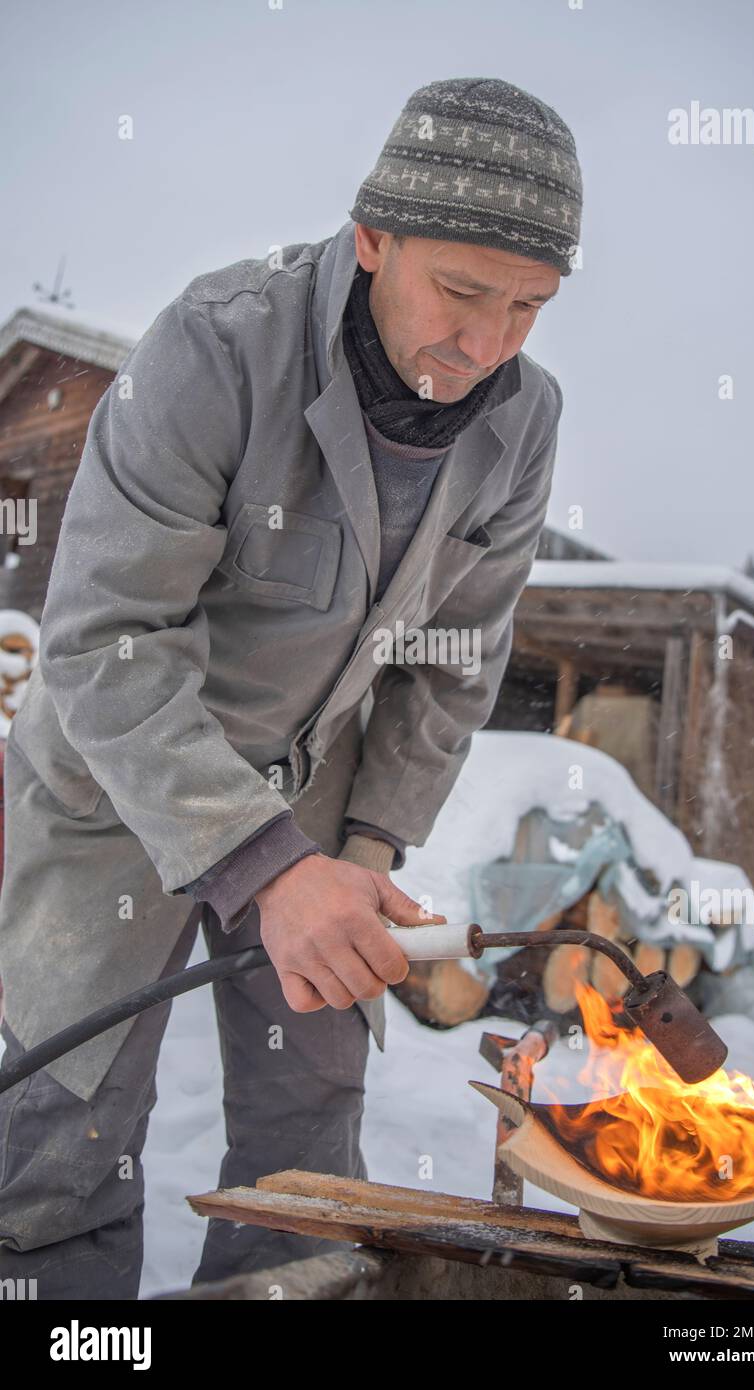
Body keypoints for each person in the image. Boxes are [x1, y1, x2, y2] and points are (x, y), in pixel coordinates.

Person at [0, 76, 582, 1298]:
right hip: (122, 787)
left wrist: (366, 845)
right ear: (373, 238)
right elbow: (105, 635)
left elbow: (455, 659)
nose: (485, 344)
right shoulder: (217, 348)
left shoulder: (520, 424)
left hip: (314, 797)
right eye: (461, 292)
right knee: (65, 1133)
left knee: (311, 1135)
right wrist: (258, 863)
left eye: (527, 307)